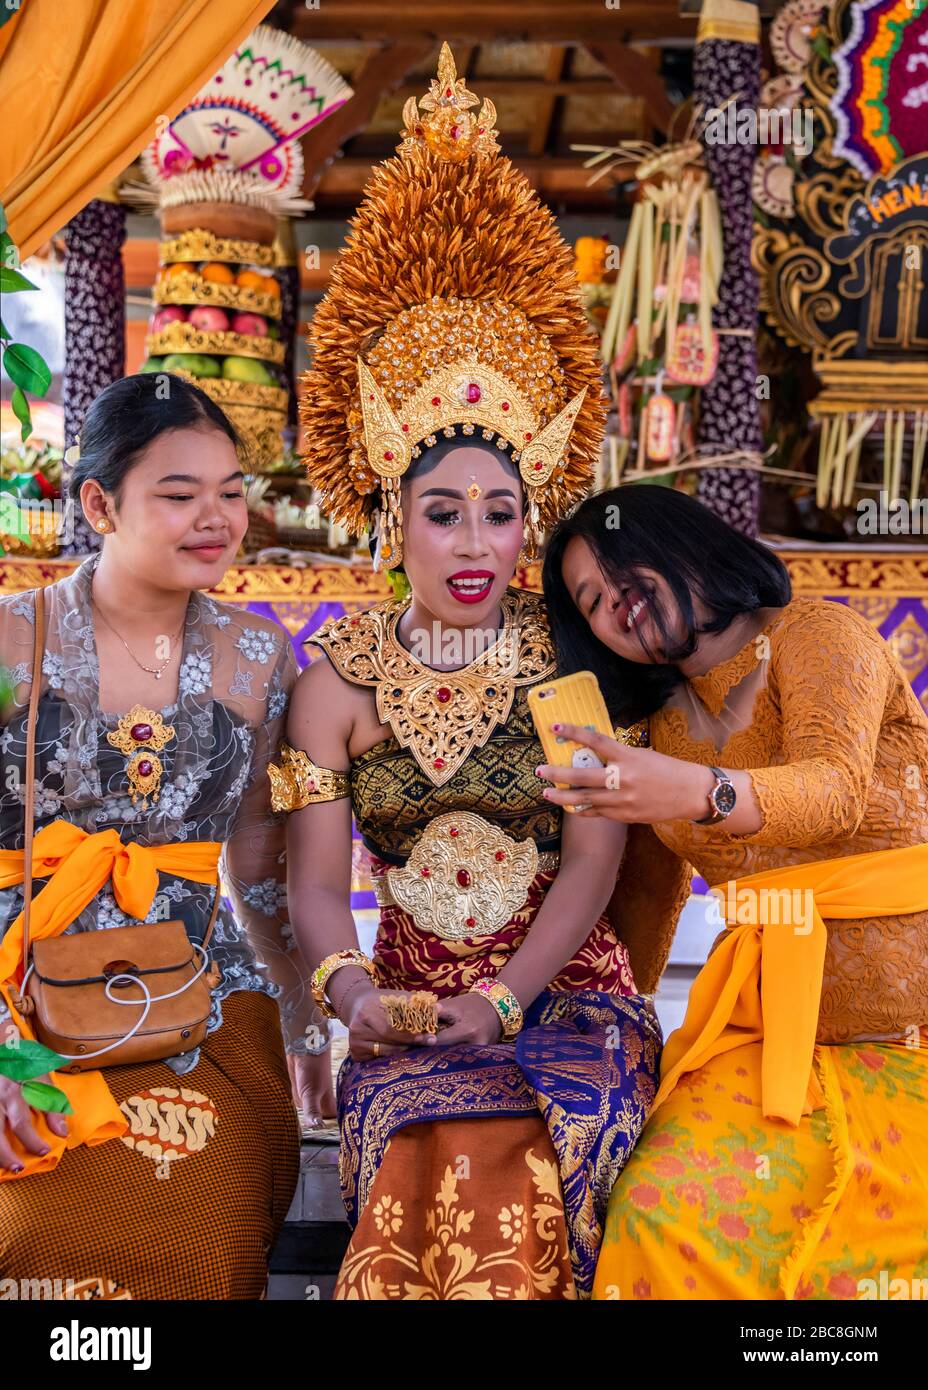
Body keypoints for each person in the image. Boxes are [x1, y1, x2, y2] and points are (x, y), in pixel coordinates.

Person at [271, 47, 684, 1301]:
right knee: (409, 1166)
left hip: (563, 996)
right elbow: (312, 884)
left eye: (498, 513)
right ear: (389, 513)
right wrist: (352, 991)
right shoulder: (335, 674)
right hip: (403, 1001)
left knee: (525, 1172)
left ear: (530, 523)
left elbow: (600, 862)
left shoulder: (567, 666)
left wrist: (505, 1002)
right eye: (440, 511)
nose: (470, 542)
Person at [539, 483, 928, 1300]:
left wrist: (700, 791)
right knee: (655, 1209)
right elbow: (646, 897)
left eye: (621, 568)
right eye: (592, 602)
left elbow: (833, 791)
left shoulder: (821, 635)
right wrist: (611, 1015)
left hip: (910, 1028)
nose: (616, 602)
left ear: (691, 544)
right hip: (761, 1029)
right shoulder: (661, 725)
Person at [0, 372, 322, 1299]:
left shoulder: (258, 656)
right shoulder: (13, 642)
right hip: (24, 988)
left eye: (230, 492)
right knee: (34, 1228)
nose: (216, 518)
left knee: (209, 1215)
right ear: (99, 503)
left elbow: (259, 869)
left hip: (198, 992)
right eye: (179, 496)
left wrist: (304, 1034)